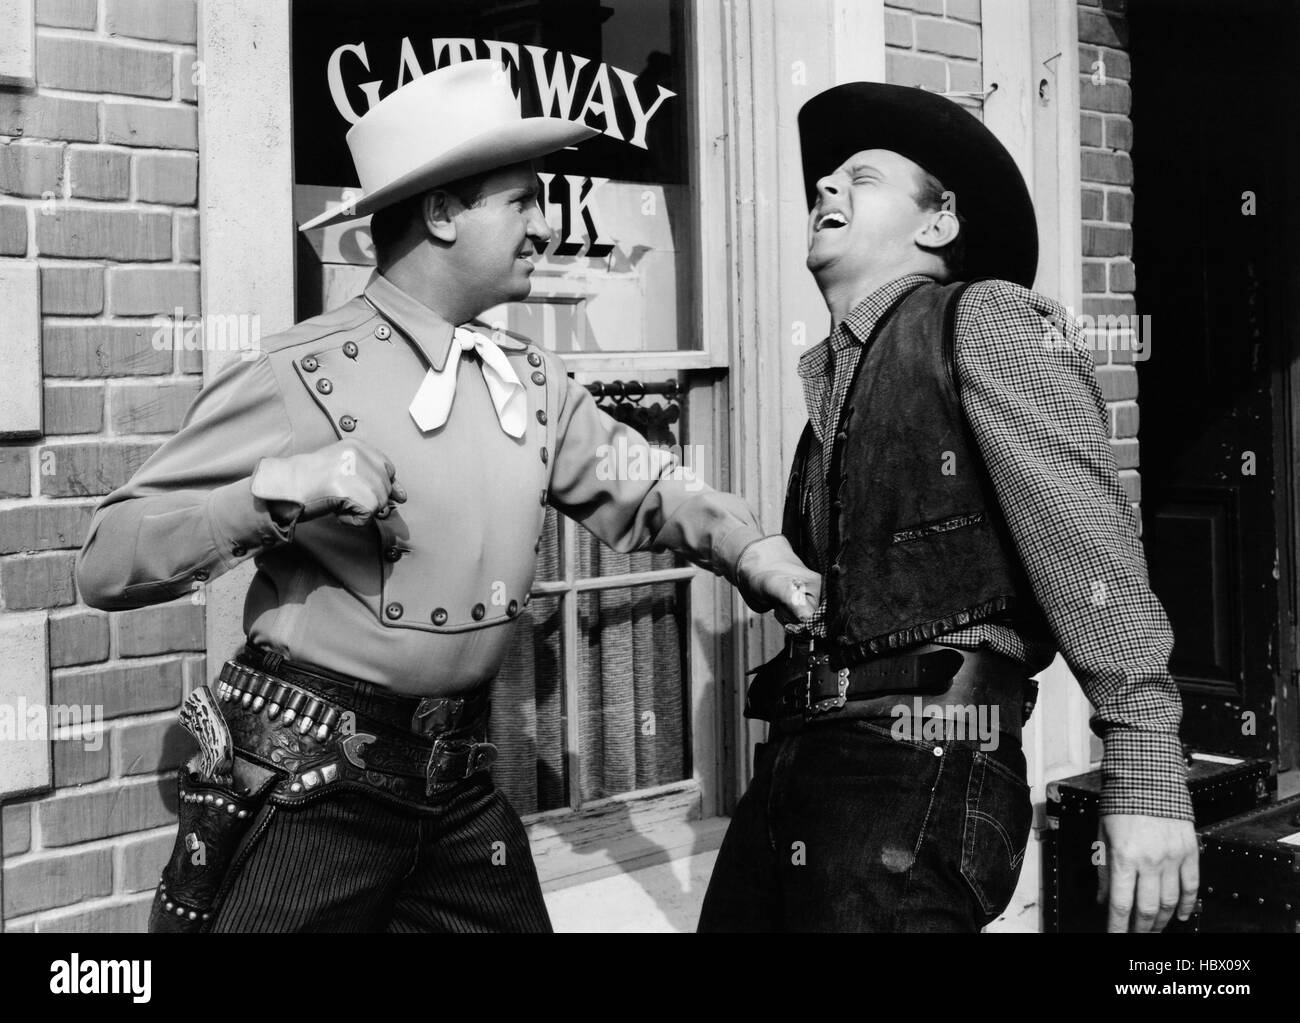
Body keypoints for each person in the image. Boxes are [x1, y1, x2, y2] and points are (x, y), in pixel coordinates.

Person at [76, 59, 818, 933]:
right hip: (314, 783)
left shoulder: (531, 383)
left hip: (459, 782)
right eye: (521, 200)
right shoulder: (298, 374)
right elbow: (107, 559)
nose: (545, 225)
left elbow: (649, 485)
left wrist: (749, 546)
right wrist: (270, 490)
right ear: (440, 214)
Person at [696, 82, 1198, 933]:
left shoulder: (985, 318)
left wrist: (1145, 761)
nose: (825, 188)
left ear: (937, 224)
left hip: (920, 767)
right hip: (801, 768)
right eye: (824, 177)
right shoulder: (839, 387)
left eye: (862, 176)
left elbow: (1091, 547)